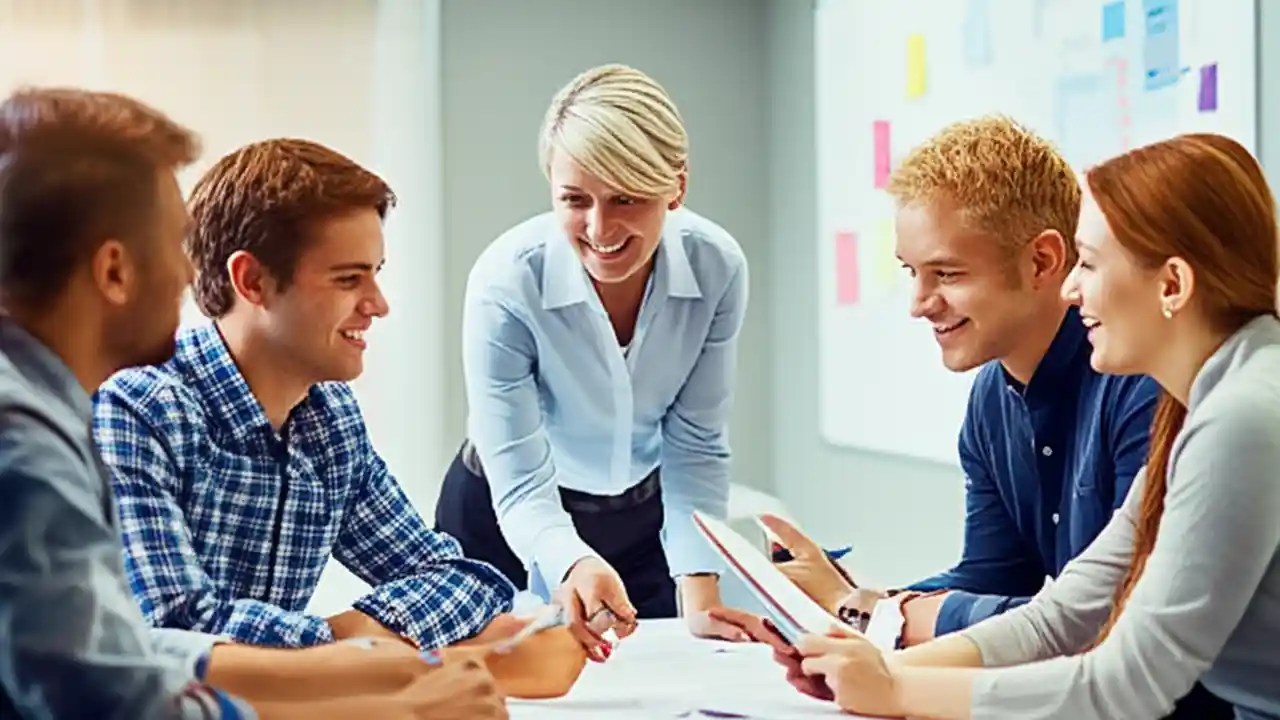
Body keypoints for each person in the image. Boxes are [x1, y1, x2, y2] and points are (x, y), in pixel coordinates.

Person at [0, 86, 507, 719]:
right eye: (172, 243)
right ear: (113, 271)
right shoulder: (43, 440)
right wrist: (366, 679)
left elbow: (464, 577)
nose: (189, 276)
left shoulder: (326, 419)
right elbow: (145, 665)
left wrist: (348, 662)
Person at [779, 132, 1280, 720]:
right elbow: (1064, 615)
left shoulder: (1242, 415)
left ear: (1171, 284)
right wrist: (869, 669)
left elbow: (1128, 681)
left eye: (1088, 264)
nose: (1072, 288)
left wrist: (896, 689)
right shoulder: (1203, 403)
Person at [92, 136, 584, 699]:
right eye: (349, 279)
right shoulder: (138, 410)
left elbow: (461, 578)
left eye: (375, 273)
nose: (378, 303)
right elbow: (175, 633)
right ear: (251, 281)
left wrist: (358, 646)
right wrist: (355, 649)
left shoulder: (327, 419)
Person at [433, 63, 756, 657]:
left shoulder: (718, 268)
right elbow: (523, 479)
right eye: (575, 199)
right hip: (497, 513)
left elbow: (697, 443)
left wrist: (701, 589)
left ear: (676, 187)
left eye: (626, 198)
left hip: (639, 517)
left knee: (664, 678)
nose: (600, 228)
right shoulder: (507, 282)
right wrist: (568, 560)